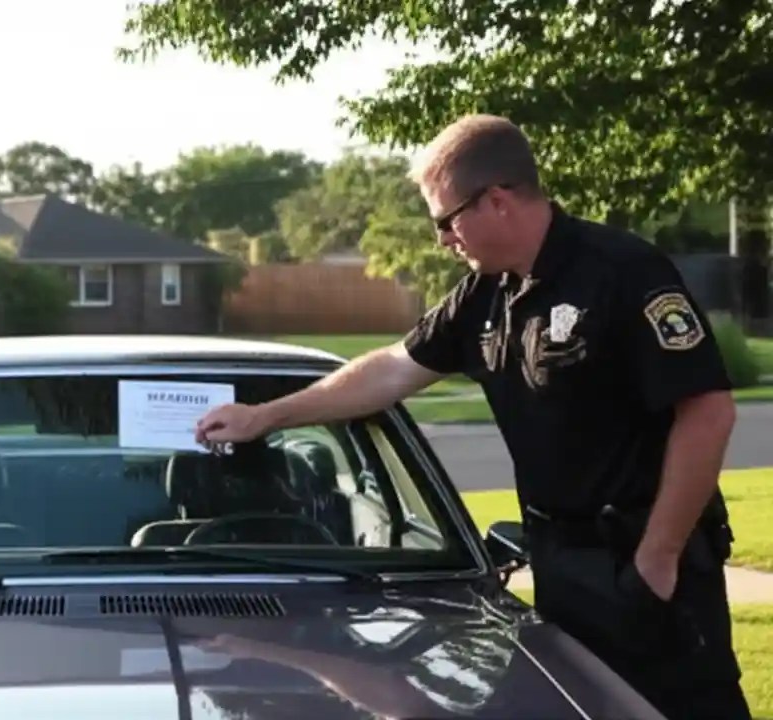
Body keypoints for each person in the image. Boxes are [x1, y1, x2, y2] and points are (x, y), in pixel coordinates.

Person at [194, 113, 749, 719]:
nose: (441, 239)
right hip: (561, 565)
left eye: (446, 220)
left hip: (645, 566)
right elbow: (389, 372)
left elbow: (708, 412)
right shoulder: (486, 294)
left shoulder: (622, 272)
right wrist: (265, 417)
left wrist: (658, 556)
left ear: (497, 201)